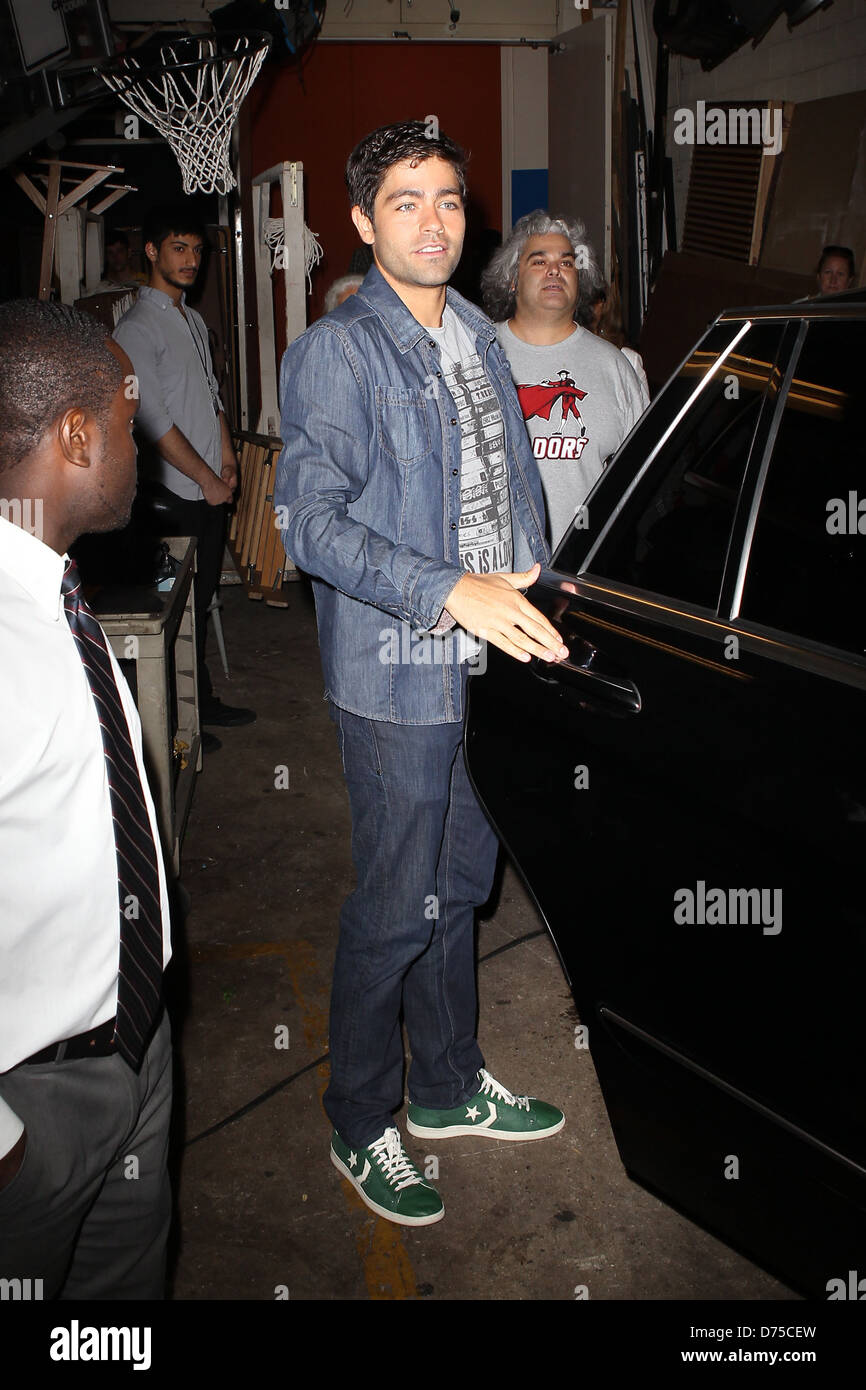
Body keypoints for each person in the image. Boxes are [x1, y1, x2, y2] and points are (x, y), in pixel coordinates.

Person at [275, 121, 569, 1228]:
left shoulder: (482, 337)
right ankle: (361, 1118)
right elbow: (310, 524)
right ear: (361, 220)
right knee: (395, 907)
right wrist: (447, 588)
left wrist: (538, 593)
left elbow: (503, 490)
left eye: (447, 199)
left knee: (457, 892)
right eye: (405, 201)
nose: (433, 221)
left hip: (486, 665)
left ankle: (445, 1087)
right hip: (400, 673)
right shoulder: (337, 352)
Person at [0, 299, 173, 1298]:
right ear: (75, 434)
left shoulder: (56, 596)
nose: (137, 439)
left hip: (134, 1053)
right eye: (124, 416)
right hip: (39, 1107)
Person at [113, 203, 255, 751]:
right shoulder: (137, 325)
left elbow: (212, 400)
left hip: (207, 486)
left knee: (198, 601)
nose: (191, 259)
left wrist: (227, 459)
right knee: (172, 608)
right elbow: (152, 422)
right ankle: (172, 719)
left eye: (197, 249)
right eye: (179, 248)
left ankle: (202, 703)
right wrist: (206, 478)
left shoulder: (193, 320)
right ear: (152, 251)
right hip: (172, 494)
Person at [482, 211, 648, 549]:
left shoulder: (615, 367)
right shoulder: (477, 355)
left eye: (567, 263)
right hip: (494, 579)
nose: (555, 270)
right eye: (539, 262)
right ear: (512, 279)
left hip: (582, 573)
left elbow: (642, 478)